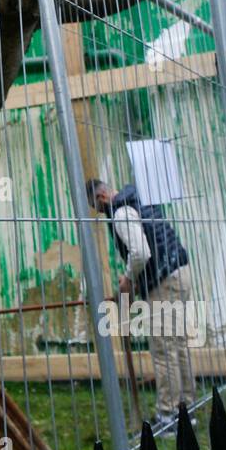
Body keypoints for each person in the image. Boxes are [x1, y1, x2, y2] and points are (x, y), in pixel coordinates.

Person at [86, 179, 196, 432]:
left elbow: (140, 252)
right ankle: (187, 408)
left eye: (98, 207)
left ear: (102, 197)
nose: (101, 213)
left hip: (164, 280)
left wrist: (127, 278)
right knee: (178, 342)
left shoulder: (121, 211)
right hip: (179, 270)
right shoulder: (139, 196)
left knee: (163, 348)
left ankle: (169, 415)